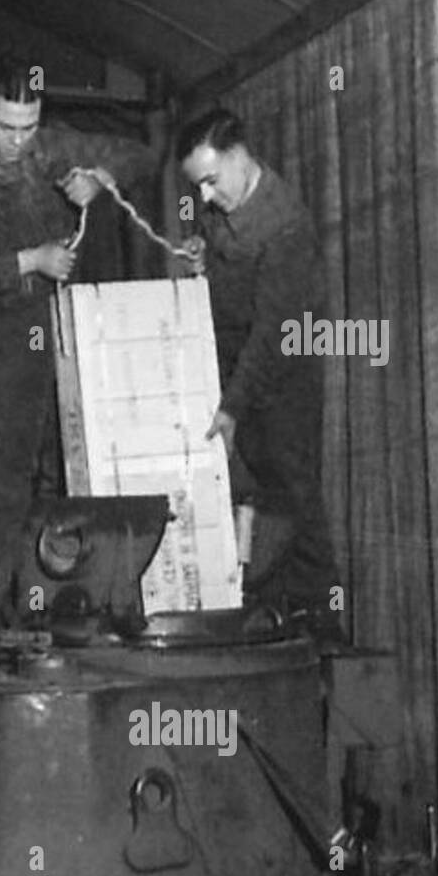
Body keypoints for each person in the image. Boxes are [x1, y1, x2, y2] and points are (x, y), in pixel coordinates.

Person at [0, 54, 158, 633]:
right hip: (14, 327)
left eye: (29, 126)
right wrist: (31, 260)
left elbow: (144, 156)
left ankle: (79, 601)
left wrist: (99, 179)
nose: (19, 140)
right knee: (6, 469)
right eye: (7, 127)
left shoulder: (54, 146)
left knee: (83, 460)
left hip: (81, 320)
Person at [176, 108, 341, 630]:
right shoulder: (224, 204)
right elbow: (224, 258)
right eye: (197, 186)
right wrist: (203, 256)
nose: (205, 196)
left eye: (210, 180)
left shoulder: (285, 225)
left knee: (294, 498)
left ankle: (323, 629)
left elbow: (273, 334)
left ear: (239, 156)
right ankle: (270, 618)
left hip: (281, 376)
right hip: (241, 370)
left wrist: (231, 408)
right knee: (258, 500)